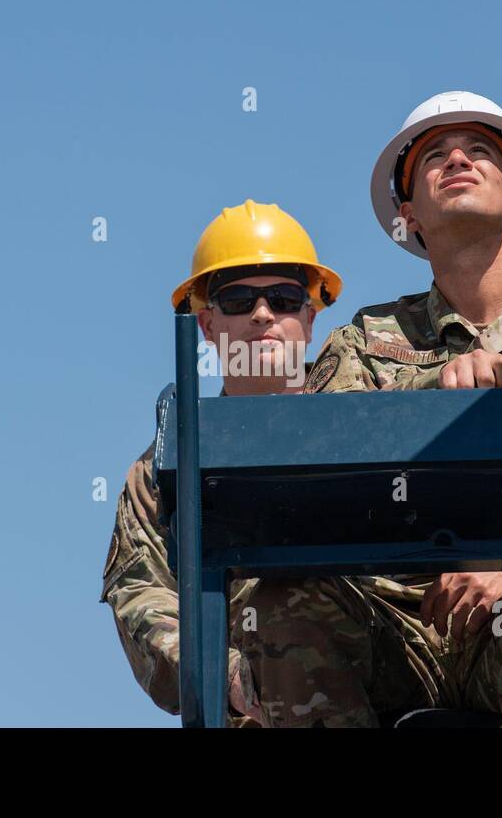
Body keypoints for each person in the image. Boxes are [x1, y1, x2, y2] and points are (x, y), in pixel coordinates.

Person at [234, 92, 502, 727]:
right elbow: (317, 490)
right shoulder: (367, 343)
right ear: (409, 215)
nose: (457, 157)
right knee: (283, 600)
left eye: (480, 150)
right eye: (434, 156)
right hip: (403, 632)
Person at [101, 200, 343, 726]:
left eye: (283, 297)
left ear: (310, 315)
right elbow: (139, 595)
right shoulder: (164, 469)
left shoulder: (368, 430)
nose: (262, 314)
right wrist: (223, 670)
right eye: (237, 300)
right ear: (207, 326)